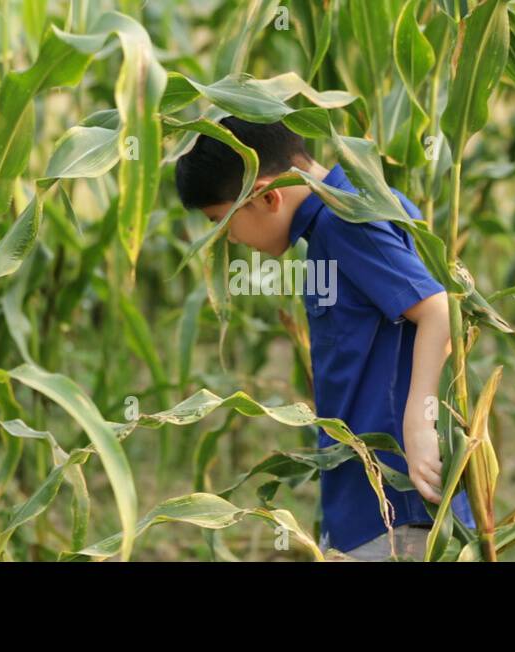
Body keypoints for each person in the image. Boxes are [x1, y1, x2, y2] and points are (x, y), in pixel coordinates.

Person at [175, 117, 476, 561]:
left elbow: (438, 312)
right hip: (372, 499)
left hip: (397, 503)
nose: (229, 239)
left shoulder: (346, 222)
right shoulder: (349, 214)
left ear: (265, 195)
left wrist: (419, 423)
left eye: (222, 220)